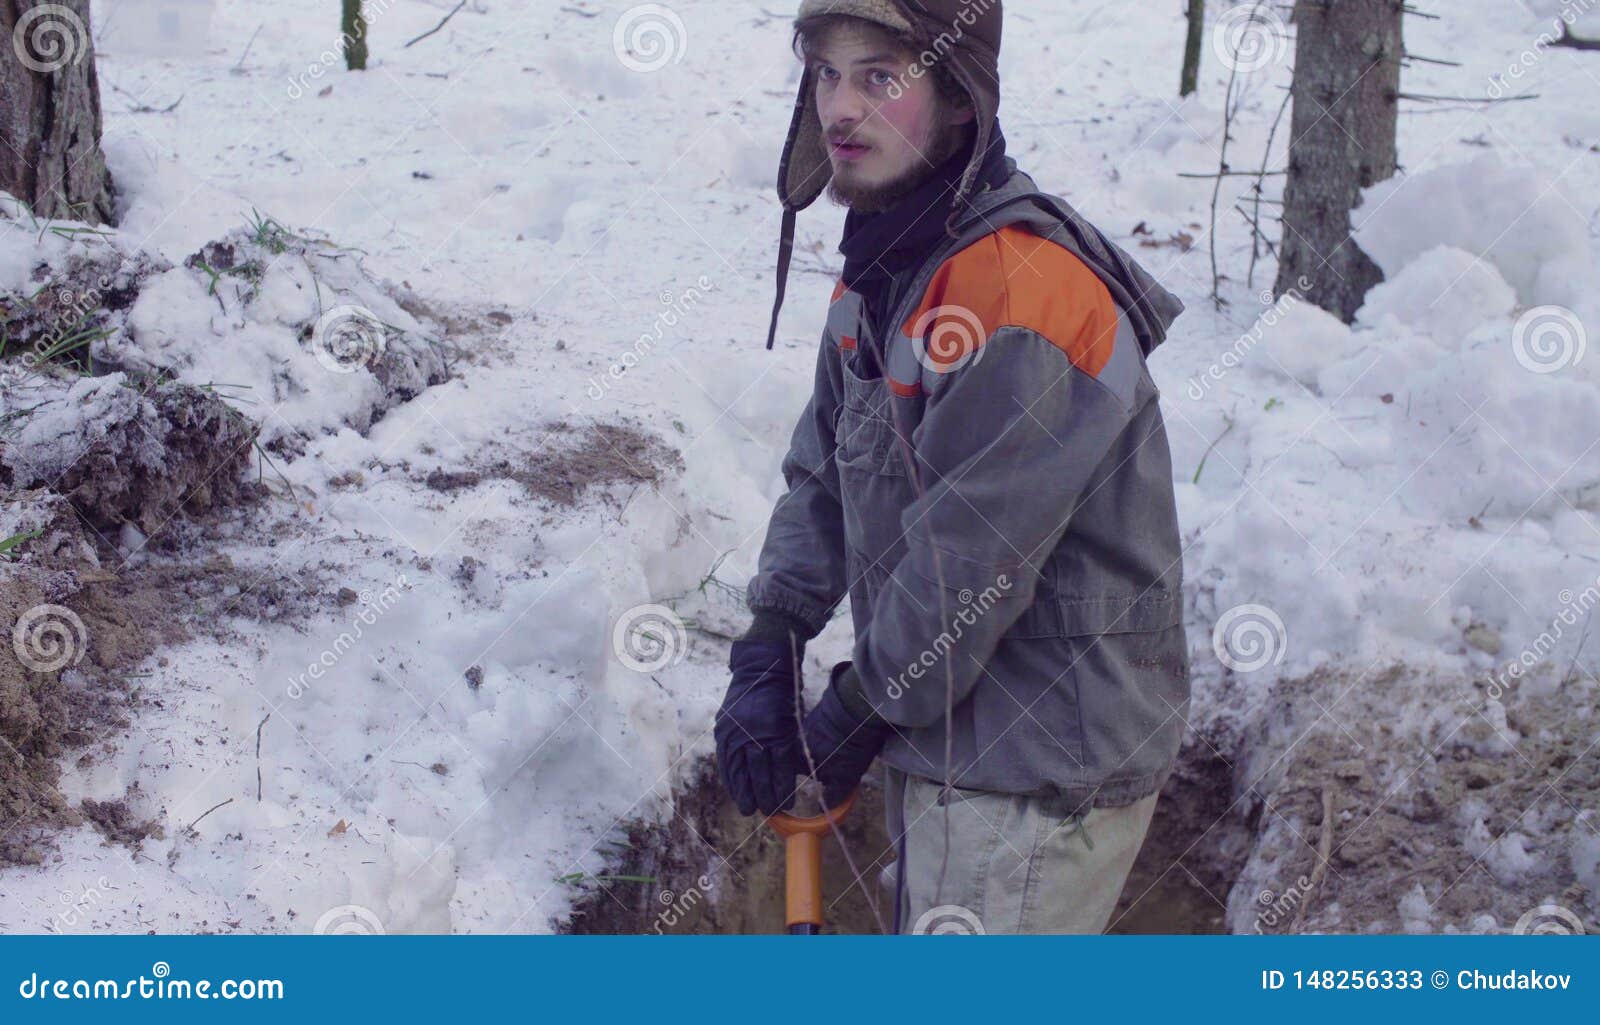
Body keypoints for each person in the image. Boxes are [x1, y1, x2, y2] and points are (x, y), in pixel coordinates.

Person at [715, 0, 1192, 935]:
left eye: (879, 77)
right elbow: (825, 470)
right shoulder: (888, 260)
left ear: (961, 96)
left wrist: (851, 714)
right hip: (947, 736)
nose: (840, 108)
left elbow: (967, 567)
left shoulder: (1020, 298)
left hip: (1035, 769)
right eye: (827, 74)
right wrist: (769, 640)